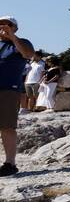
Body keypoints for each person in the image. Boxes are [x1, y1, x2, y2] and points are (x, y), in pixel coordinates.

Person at [0, 17, 37, 176]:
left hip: (8, 89)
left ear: (15, 27)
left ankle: (10, 163)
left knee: (7, 126)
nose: (3, 27)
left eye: (7, 24)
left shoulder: (21, 43)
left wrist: (12, 37)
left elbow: (28, 54)